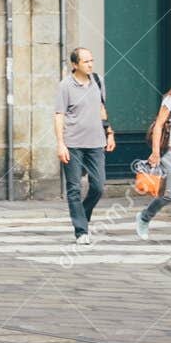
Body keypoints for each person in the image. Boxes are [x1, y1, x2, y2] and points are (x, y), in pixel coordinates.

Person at [55, 47, 115, 246]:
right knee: (74, 188)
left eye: (91, 60)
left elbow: (102, 109)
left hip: (96, 142)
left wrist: (110, 133)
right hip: (73, 143)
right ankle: (81, 230)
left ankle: (82, 214)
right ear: (75, 65)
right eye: (86, 62)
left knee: (98, 186)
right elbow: (59, 115)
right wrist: (60, 144)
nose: (90, 64)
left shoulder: (98, 80)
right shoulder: (65, 86)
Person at [136, 86, 171, 240]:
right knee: (169, 195)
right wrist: (156, 152)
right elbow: (159, 125)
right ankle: (144, 217)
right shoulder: (170, 99)